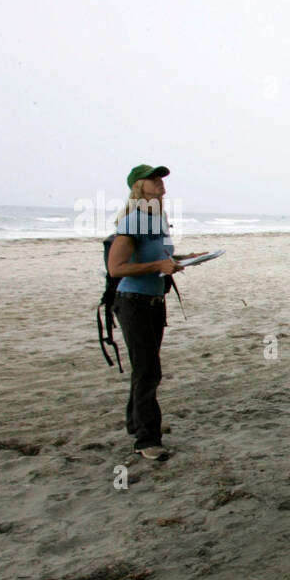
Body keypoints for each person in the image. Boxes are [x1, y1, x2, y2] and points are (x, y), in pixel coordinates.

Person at [106, 164, 196, 460]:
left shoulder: (158, 220)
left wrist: (185, 258)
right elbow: (116, 268)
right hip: (133, 303)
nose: (160, 183)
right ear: (138, 187)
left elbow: (160, 259)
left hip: (155, 302)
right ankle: (147, 440)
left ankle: (135, 424)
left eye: (162, 178)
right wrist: (159, 266)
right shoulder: (133, 221)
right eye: (153, 179)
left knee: (144, 369)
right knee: (148, 372)